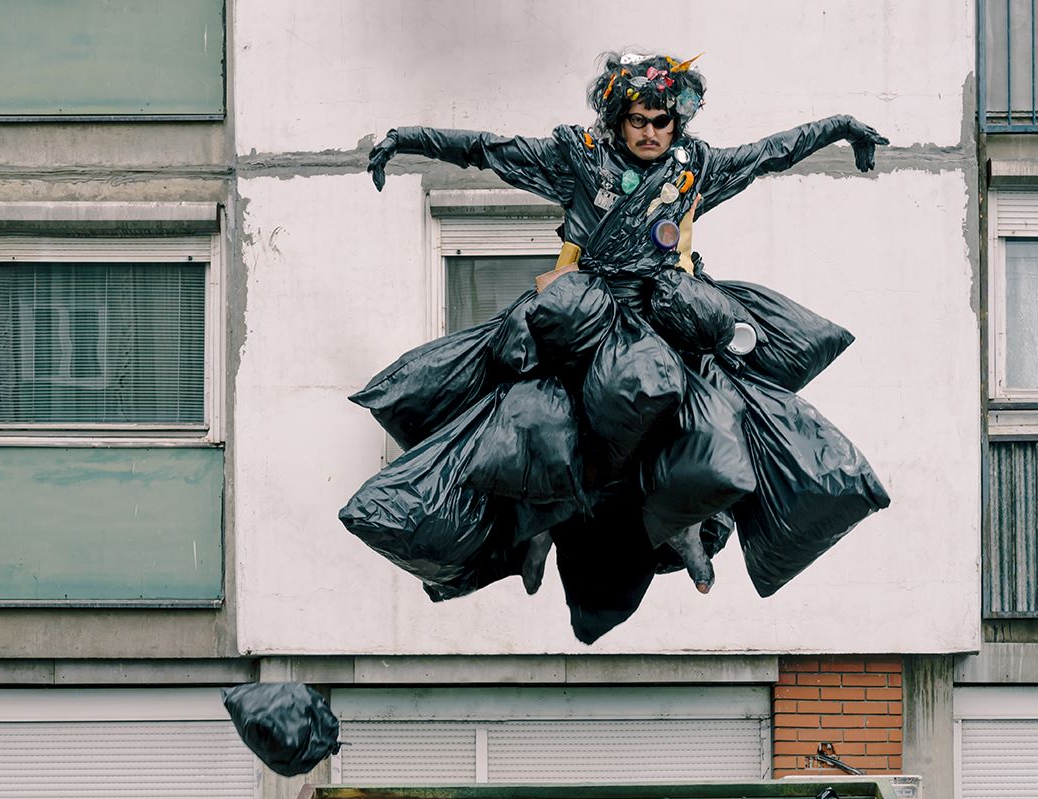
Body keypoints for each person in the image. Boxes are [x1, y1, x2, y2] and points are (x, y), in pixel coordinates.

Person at [343, 50, 893, 644]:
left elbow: (769, 155)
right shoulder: (577, 159)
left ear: (677, 121)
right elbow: (487, 151)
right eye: (639, 120)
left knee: (701, 419)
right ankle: (535, 530)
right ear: (617, 118)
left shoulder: (693, 167)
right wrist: (407, 140)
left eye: (662, 121)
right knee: (538, 419)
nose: (651, 133)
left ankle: (689, 528)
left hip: (666, 316)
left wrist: (838, 128)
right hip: (586, 315)